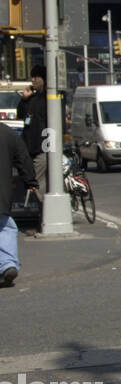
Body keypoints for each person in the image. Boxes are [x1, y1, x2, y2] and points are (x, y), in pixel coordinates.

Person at [1, 121, 38, 286]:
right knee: (5, 227)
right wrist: (30, 181)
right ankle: (7, 264)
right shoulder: (7, 133)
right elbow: (23, 158)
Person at [16, 69, 48, 212]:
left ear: (44, 79)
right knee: (31, 181)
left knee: (38, 182)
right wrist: (24, 99)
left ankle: (44, 217)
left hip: (43, 148)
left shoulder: (49, 98)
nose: (33, 80)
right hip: (29, 148)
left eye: (36, 77)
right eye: (32, 77)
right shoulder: (32, 98)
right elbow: (21, 115)